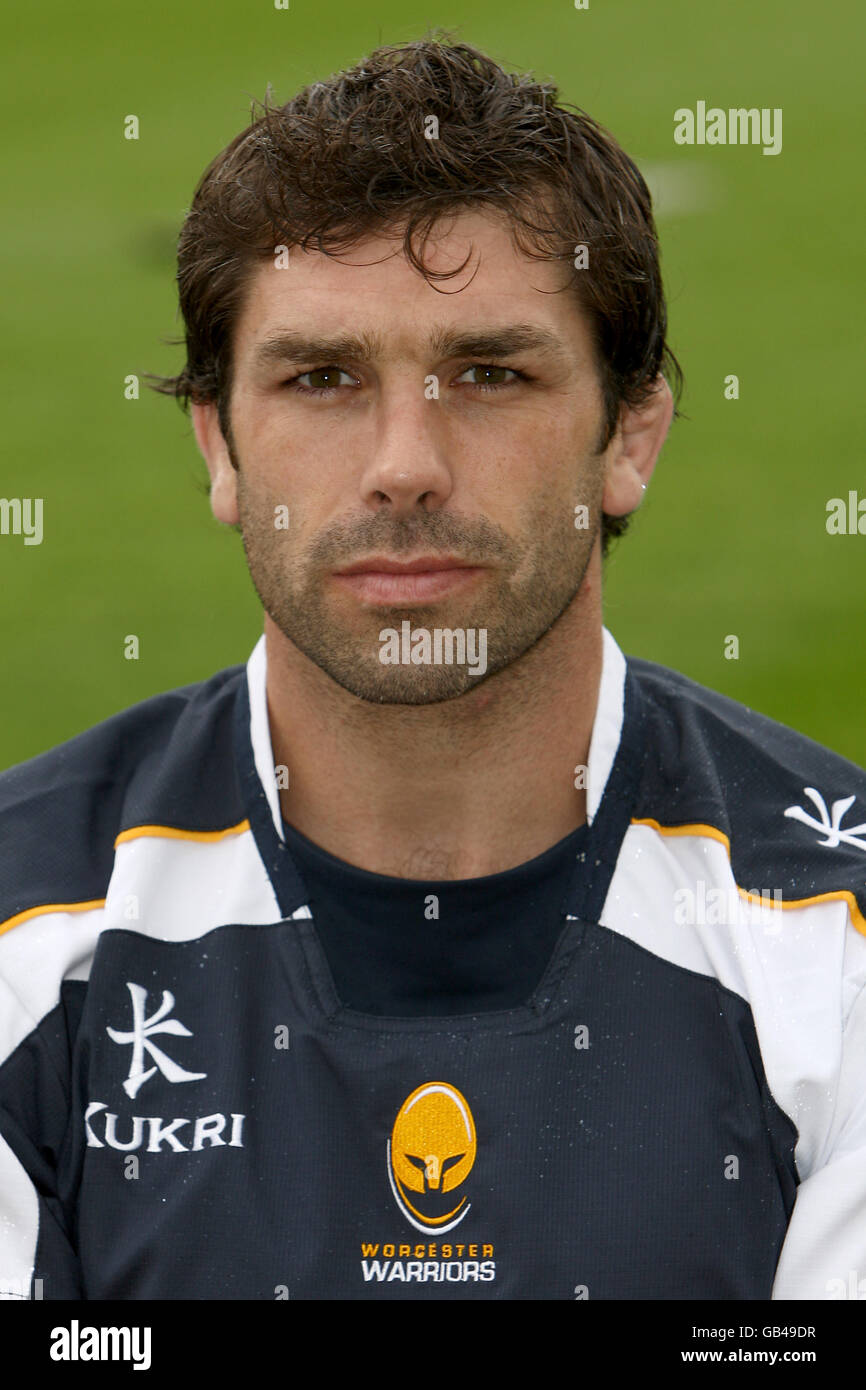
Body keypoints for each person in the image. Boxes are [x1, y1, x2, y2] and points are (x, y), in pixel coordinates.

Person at [1, 36, 863, 1302]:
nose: (405, 462)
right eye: (322, 378)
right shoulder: (26, 935)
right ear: (220, 447)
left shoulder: (829, 944)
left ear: (630, 432)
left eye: (488, 374)